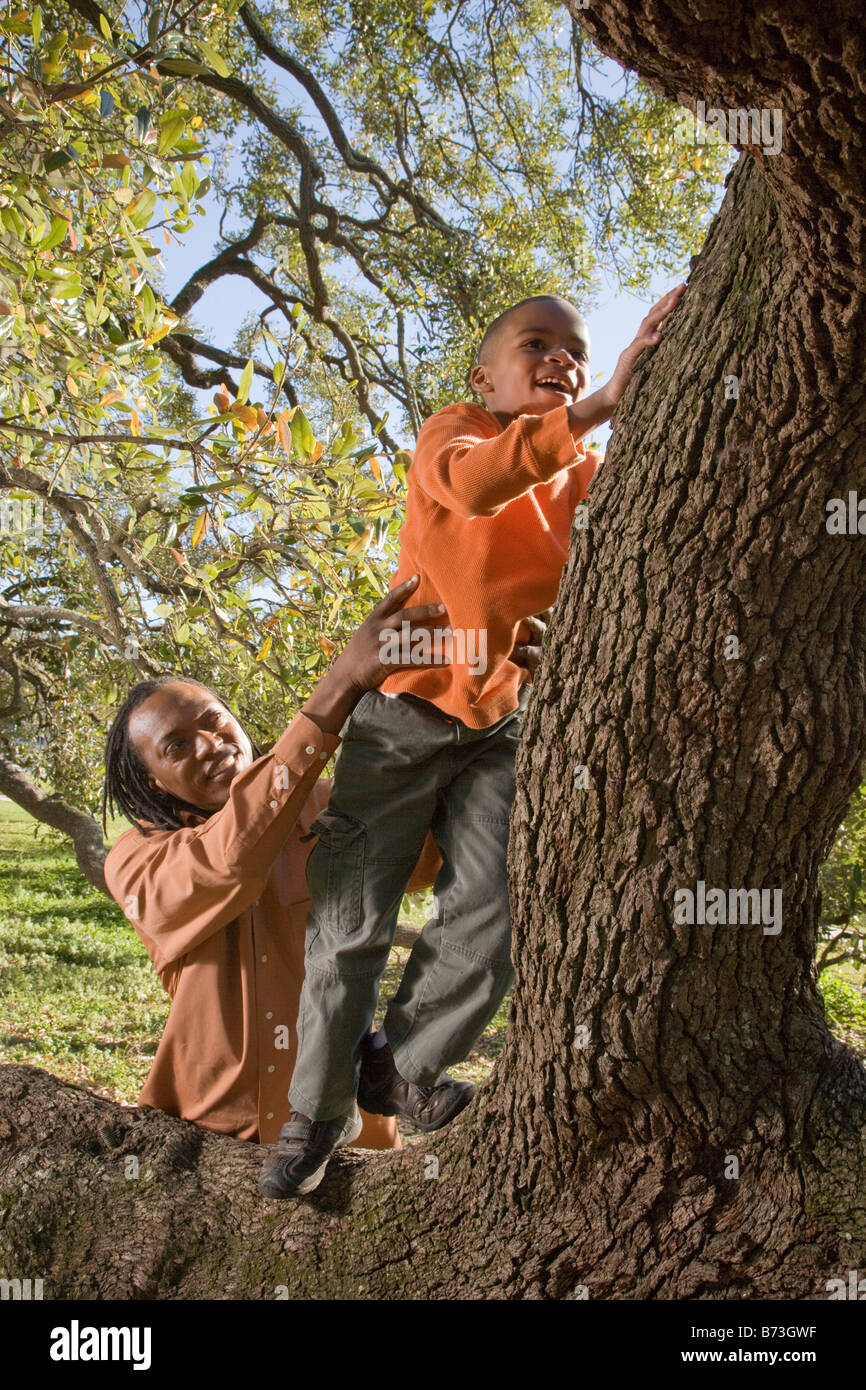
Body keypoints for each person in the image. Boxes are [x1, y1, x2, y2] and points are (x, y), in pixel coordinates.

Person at [268, 285, 687, 1198]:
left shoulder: (583, 473)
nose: (561, 362)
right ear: (483, 377)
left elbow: (629, 557)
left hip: (500, 727)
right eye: (536, 345)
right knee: (349, 928)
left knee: (494, 908)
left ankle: (406, 1064)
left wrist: (646, 392)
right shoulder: (452, 436)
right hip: (400, 714)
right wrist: (601, 401)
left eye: (577, 354)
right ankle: (313, 1119)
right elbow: (473, 484)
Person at [102, 579, 547, 1167]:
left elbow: (454, 851)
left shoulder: (330, 806)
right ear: (154, 781)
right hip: (205, 1135)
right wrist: (343, 682)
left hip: (349, 1146)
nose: (211, 745)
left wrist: (493, 687)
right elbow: (230, 857)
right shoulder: (137, 861)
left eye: (215, 721)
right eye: (177, 747)